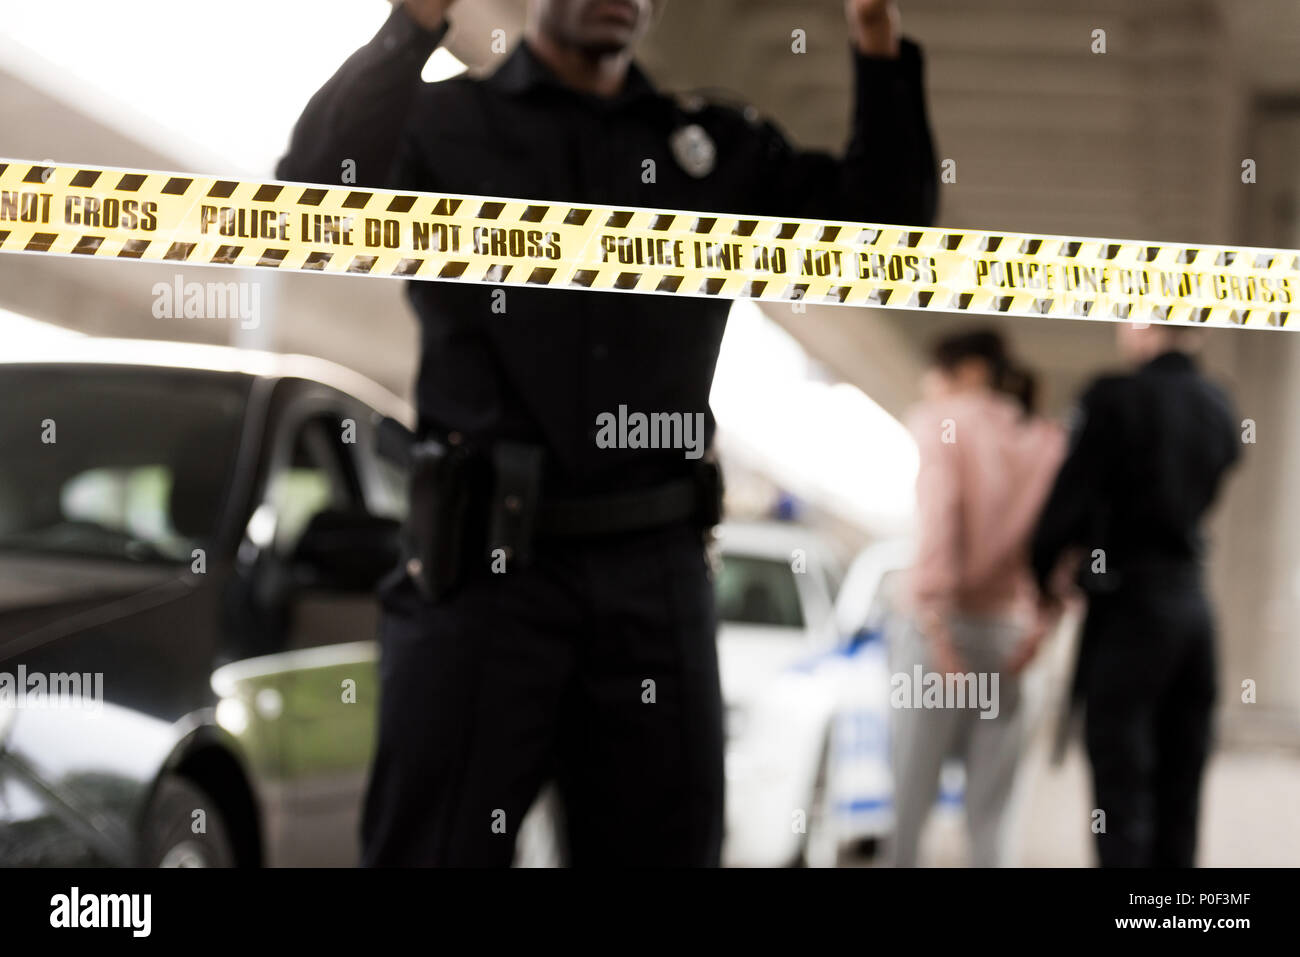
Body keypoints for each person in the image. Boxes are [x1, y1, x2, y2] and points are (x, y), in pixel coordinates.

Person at [277, 0, 937, 866]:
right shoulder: (449, 122)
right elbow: (313, 190)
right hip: (479, 574)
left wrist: (876, 34)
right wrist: (415, 22)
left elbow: (887, 233)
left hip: (652, 581)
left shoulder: (711, 147)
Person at [1031, 323, 1240, 868]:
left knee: (1122, 788)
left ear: (1143, 325)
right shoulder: (1219, 404)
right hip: (1194, 607)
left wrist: (1043, 572)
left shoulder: (1113, 397)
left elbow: (1066, 502)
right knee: (1182, 784)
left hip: (1129, 608)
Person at [890, 329, 1064, 867]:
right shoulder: (1046, 438)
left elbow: (940, 523)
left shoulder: (943, 424)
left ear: (967, 371)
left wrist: (937, 628)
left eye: (936, 372)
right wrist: (1043, 624)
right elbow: (1065, 539)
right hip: (1011, 638)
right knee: (992, 815)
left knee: (911, 803)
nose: (929, 384)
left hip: (943, 636)